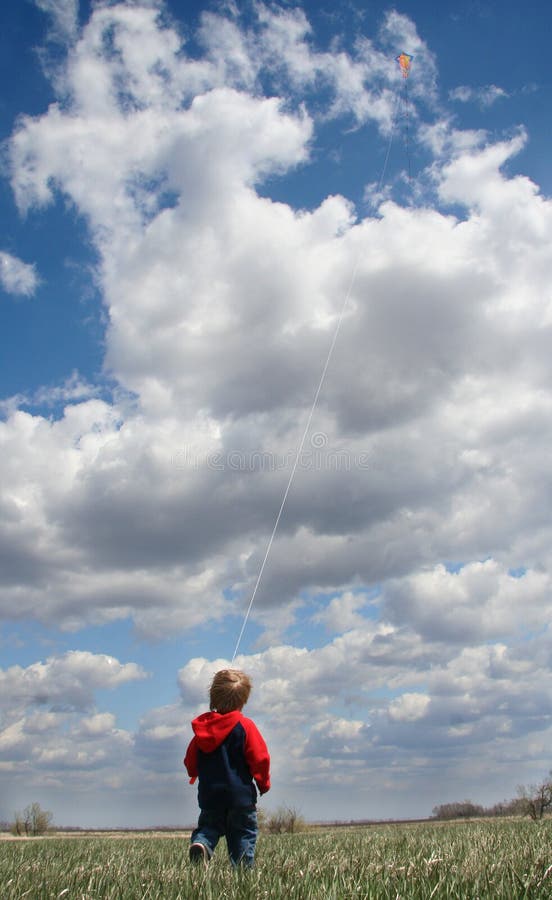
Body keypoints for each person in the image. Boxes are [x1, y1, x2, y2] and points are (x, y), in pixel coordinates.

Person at [184, 668, 270, 868]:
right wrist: (263, 783)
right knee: (242, 836)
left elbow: (190, 762)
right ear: (243, 700)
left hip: (210, 798)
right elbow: (261, 758)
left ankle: (202, 844)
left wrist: (193, 772)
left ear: (213, 697)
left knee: (208, 827)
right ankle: (242, 875)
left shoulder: (202, 732)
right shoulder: (245, 726)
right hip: (240, 799)